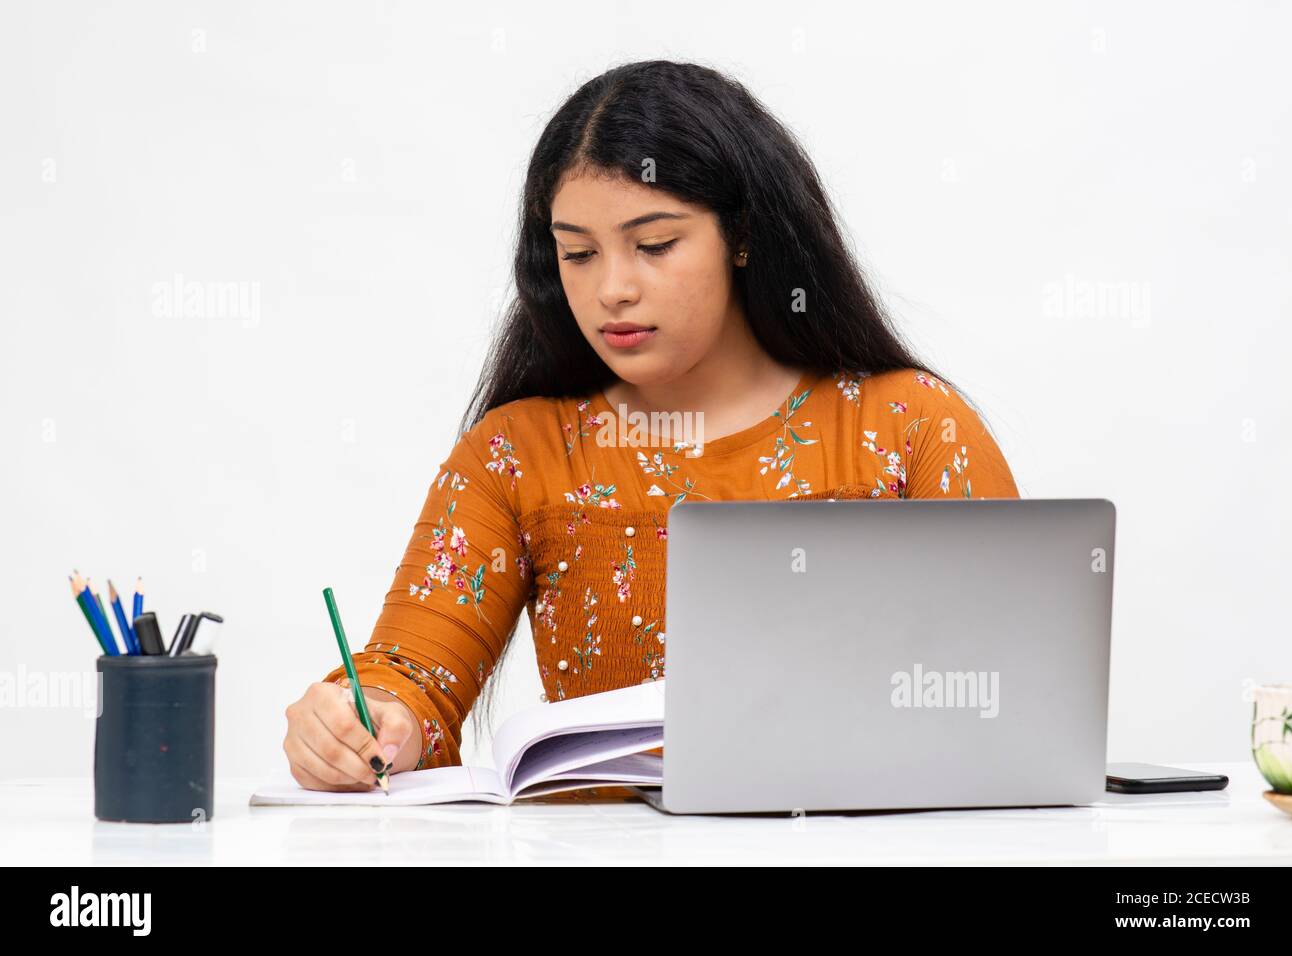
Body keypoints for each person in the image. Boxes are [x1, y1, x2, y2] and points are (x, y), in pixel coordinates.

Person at [282, 59, 1019, 797]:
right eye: (577, 253)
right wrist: (363, 724)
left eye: (656, 244)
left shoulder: (910, 428)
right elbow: (411, 680)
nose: (612, 289)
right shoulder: (516, 454)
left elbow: (1010, 699)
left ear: (743, 235)